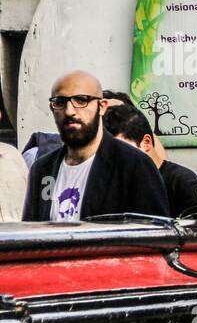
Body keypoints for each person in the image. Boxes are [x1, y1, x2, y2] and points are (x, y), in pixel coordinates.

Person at [23, 71, 169, 222]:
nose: (69, 111)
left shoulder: (134, 165)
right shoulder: (42, 169)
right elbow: (31, 234)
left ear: (102, 106)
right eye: (60, 102)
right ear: (52, 108)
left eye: (81, 100)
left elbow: (153, 237)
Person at [102, 105, 197, 216]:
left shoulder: (182, 183)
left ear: (146, 143)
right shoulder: (111, 185)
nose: (114, 158)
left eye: (122, 149)